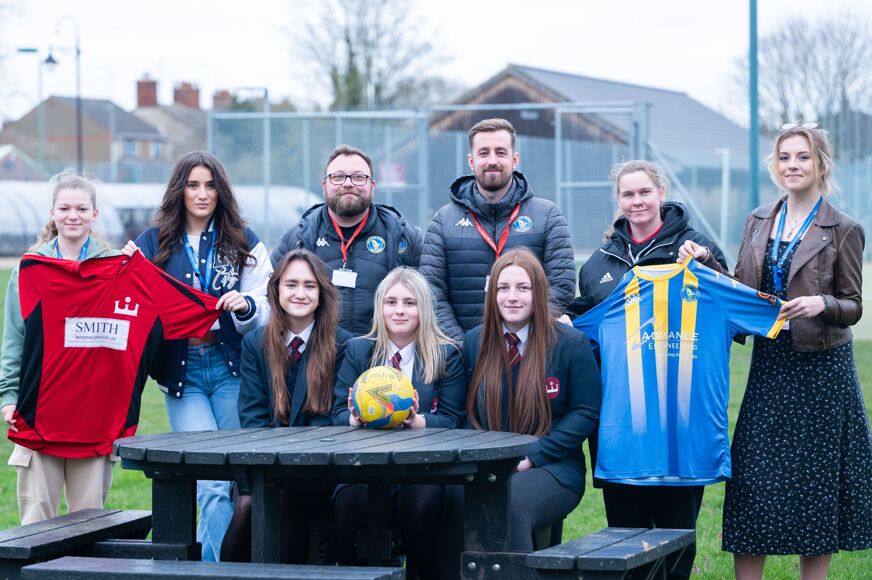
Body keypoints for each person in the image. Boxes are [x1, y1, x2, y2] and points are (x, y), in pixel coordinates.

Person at [680, 123, 871, 580]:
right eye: (785, 157)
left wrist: (822, 303)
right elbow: (745, 291)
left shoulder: (844, 228)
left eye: (803, 157)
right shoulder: (758, 219)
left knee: (815, 486)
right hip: (771, 367)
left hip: (822, 369)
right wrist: (708, 264)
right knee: (754, 483)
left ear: (821, 164)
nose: (793, 165)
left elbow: (854, 306)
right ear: (775, 164)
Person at [571, 159, 728, 580]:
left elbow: (728, 300)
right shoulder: (598, 264)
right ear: (617, 201)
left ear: (662, 193)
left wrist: (707, 263)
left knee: (676, 538)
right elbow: (582, 329)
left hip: (681, 425)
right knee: (624, 538)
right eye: (628, 194)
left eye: (644, 192)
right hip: (622, 426)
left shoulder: (695, 246)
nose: (637, 201)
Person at [134, 151, 272, 561]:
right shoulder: (151, 241)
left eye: (210, 185)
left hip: (231, 369)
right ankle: (218, 570)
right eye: (193, 184)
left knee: (236, 479)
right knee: (210, 480)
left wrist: (245, 305)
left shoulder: (242, 240)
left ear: (221, 190)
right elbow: (136, 301)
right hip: (183, 375)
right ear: (179, 190)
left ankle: (228, 562)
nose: (201, 193)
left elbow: (266, 303)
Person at [446, 247, 600, 566]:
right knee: (448, 498)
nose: (512, 297)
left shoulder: (570, 343)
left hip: (553, 467)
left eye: (523, 288)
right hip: (485, 464)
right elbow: (463, 412)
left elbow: (586, 412)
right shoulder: (475, 342)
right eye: (503, 288)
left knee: (510, 502)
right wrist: (481, 458)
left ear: (539, 292)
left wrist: (533, 456)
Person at [0, 170, 119, 524]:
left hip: (93, 412)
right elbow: (14, 337)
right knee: (38, 517)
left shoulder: (113, 266)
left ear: (94, 214)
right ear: (52, 212)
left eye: (82, 208)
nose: (73, 215)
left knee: (88, 520)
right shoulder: (30, 268)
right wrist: (9, 396)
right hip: (40, 409)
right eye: (64, 208)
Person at [332, 267, 465, 580]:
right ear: (379, 307)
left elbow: (454, 419)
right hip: (364, 469)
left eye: (409, 302)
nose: (400, 310)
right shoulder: (358, 350)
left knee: (422, 506)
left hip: (421, 470)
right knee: (347, 505)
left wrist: (419, 422)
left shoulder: (446, 355)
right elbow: (335, 413)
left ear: (424, 308)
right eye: (391, 302)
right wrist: (354, 417)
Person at [220, 249, 351, 563]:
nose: (300, 293)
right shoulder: (256, 343)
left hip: (318, 471)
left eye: (309, 285)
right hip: (263, 463)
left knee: (282, 496)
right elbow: (252, 418)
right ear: (276, 290)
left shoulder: (343, 344)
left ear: (322, 293)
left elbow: (334, 421)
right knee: (249, 503)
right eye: (291, 284)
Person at [420, 118, 576, 340]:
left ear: (514, 160)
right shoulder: (443, 221)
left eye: (500, 152)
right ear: (471, 161)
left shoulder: (547, 215)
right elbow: (431, 291)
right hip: (463, 355)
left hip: (531, 351)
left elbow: (562, 285)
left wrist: (522, 338)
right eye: (483, 153)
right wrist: (464, 347)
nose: (492, 160)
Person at [271, 145, 422, 336]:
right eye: (338, 177)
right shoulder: (298, 237)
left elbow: (428, 296)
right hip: (317, 355)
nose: (348, 184)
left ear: (372, 186)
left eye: (359, 177)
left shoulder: (402, 235)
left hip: (382, 354)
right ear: (324, 185)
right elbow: (270, 295)